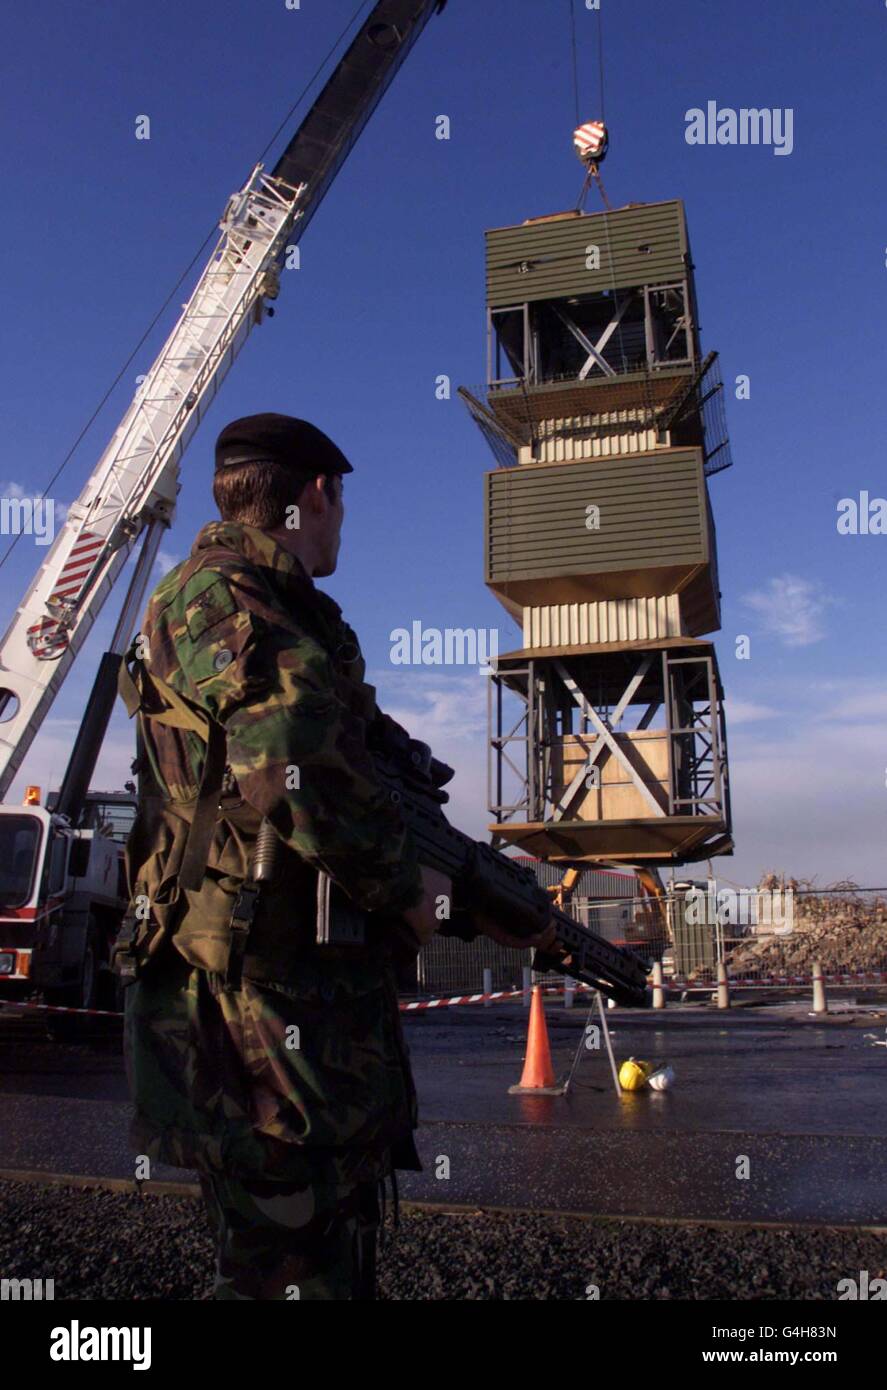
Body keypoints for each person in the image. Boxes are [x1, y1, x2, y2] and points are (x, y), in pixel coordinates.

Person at [118, 412, 554, 1300]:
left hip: (293, 983)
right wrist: (405, 888)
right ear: (316, 494)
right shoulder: (227, 597)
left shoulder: (272, 607)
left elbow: (347, 773)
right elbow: (290, 764)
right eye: (342, 503)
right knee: (283, 1254)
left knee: (322, 1239)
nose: (343, 522)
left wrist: (475, 899)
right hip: (260, 993)